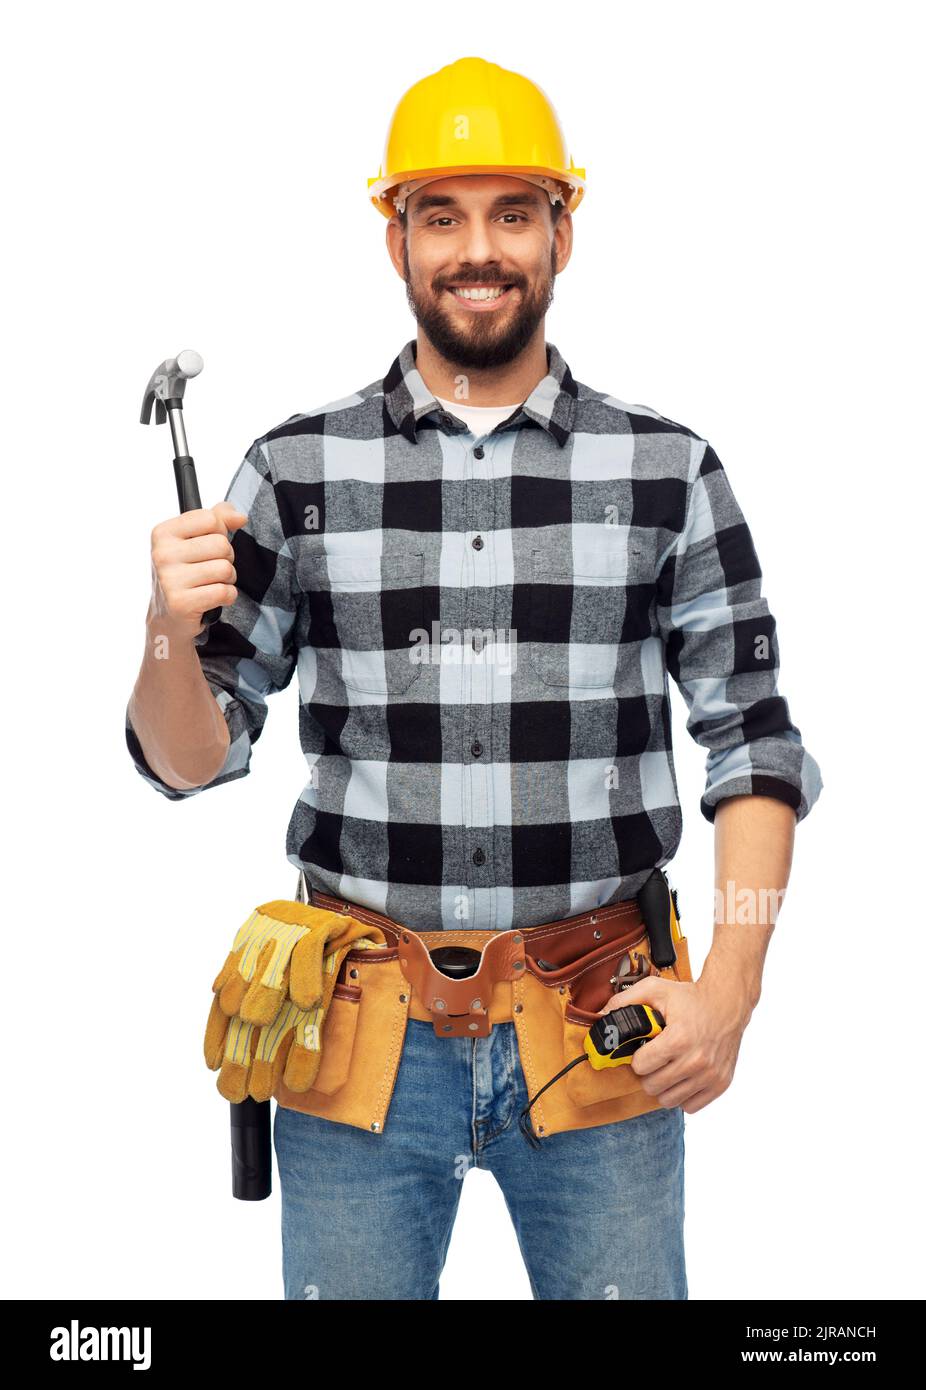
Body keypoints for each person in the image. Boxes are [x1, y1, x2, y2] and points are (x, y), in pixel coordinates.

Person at [126, 56, 822, 1300]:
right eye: (439, 215)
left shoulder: (666, 470)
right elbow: (189, 759)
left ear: (563, 229)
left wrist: (728, 990)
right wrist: (167, 629)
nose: (476, 250)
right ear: (393, 237)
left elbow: (753, 744)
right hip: (359, 1046)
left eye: (511, 212)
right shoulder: (292, 469)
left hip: (604, 1031)